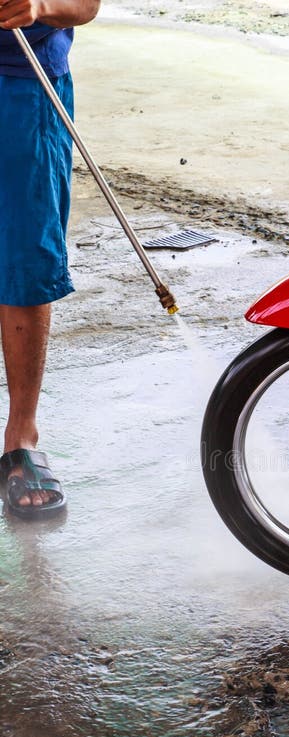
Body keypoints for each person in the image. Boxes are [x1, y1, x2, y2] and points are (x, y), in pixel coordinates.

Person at [0, 0, 100, 518]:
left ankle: (20, 436)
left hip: (20, 86)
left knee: (23, 258)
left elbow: (84, 5)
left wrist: (37, 6)